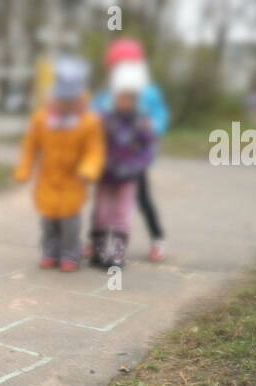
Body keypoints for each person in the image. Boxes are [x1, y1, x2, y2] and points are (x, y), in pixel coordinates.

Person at [15, 57, 105, 272]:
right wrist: (24, 168)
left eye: (69, 101)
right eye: (61, 100)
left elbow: (95, 150)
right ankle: (50, 251)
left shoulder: (89, 122)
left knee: (70, 223)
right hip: (48, 179)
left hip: (73, 180)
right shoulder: (41, 119)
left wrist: (88, 169)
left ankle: (70, 254)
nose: (64, 106)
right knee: (48, 221)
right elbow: (30, 147)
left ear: (77, 99)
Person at [92, 38, 170, 261]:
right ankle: (96, 241)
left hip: (132, 160)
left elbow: (160, 116)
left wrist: (150, 129)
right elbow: (93, 112)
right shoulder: (108, 93)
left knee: (142, 198)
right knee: (102, 201)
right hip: (108, 159)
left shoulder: (149, 93)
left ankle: (157, 239)